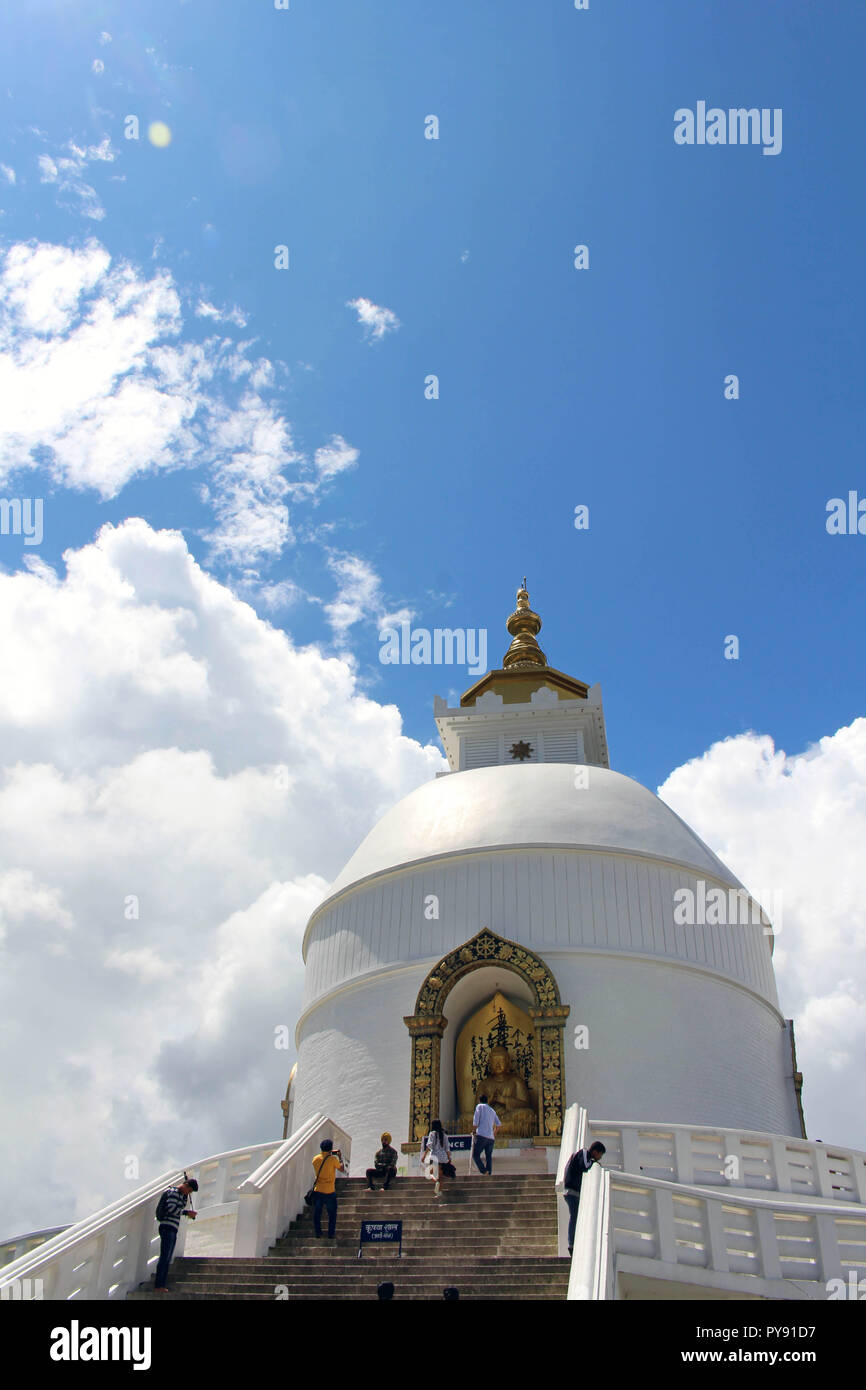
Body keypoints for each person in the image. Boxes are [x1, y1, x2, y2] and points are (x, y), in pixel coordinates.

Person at [153, 1177, 198, 1292]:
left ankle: (161, 1285)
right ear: (186, 1185)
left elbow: (179, 1206)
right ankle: (159, 1285)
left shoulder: (181, 1195)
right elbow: (172, 1209)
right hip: (167, 1227)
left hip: (172, 1228)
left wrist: (184, 1198)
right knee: (165, 1257)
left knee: (167, 1257)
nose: (189, 1193)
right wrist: (187, 1212)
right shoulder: (173, 1192)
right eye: (190, 1190)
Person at [563, 1141, 606, 1255]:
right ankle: (572, 1244)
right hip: (572, 1192)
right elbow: (585, 1166)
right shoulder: (584, 1153)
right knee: (575, 1217)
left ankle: (574, 1243)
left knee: (576, 1217)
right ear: (595, 1152)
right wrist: (595, 1163)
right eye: (599, 1155)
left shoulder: (583, 1155)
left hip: (572, 1192)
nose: (599, 1158)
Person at [311, 1138, 345, 1238]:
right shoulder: (333, 1159)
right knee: (332, 1214)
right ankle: (331, 1234)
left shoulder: (315, 1159)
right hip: (329, 1190)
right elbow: (341, 1168)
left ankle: (318, 1232)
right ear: (330, 1149)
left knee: (317, 1213)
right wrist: (340, 1157)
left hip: (318, 1189)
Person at [471, 1093, 501, 1175]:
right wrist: (493, 1134)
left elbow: (476, 1120)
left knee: (475, 1154)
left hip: (481, 1134)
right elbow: (498, 1125)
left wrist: (474, 1130)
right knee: (488, 1157)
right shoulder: (492, 1110)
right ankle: (489, 1172)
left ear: (479, 1100)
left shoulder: (479, 1106)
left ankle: (484, 1171)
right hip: (490, 1137)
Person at [425, 1119, 455, 1197]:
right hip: (443, 1157)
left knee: (429, 1173)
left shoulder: (432, 1134)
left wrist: (424, 1156)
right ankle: (439, 1192)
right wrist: (449, 1158)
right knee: (440, 1175)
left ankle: (436, 1182)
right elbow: (447, 1148)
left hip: (435, 1156)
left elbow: (429, 1145)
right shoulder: (444, 1135)